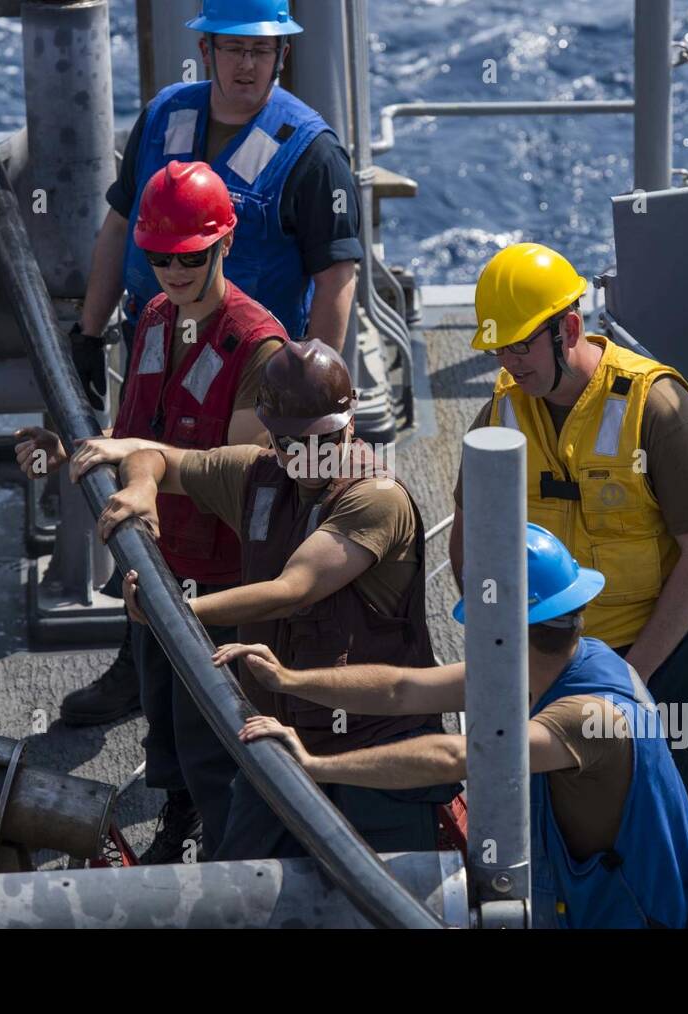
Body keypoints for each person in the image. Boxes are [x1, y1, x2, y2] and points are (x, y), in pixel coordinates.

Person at [60, 0, 363, 730]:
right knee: (144, 498)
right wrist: (88, 327)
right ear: (206, 47)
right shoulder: (166, 115)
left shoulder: (311, 153)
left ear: (282, 54)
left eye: (264, 50)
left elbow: (335, 280)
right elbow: (120, 221)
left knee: (233, 520)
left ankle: (235, 684)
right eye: (233, 49)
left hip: (249, 372)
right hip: (156, 351)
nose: (249, 64)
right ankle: (140, 662)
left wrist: (314, 401)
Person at [227, 524, 688, 929]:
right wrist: (289, 681)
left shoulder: (591, 717)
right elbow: (405, 689)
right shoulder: (567, 661)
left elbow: (458, 755)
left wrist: (314, 766)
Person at [15, 160, 284, 863]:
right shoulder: (156, 321)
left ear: (223, 243)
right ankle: (181, 818)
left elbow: (238, 474)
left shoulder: (258, 347)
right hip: (156, 564)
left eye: (189, 256)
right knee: (164, 715)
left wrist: (144, 473)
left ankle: (233, 863)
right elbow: (132, 424)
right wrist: (66, 447)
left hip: (223, 581)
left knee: (217, 729)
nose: (171, 270)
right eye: (158, 256)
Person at [100, 340, 458, 859]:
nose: (311, 455)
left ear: (350, 424)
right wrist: (140, 490)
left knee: (392, 896)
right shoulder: (254, 475)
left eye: (325, 439)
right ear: (271, 434)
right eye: (293, 443)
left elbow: (292, 591)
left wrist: (170, 612)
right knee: (239, 895)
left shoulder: (375, 499)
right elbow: (150, 457)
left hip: (378, 751)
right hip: (278, 742)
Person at [447, 243, 688, 854]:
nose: (507, 361)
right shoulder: (500, 409)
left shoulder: (658, 409)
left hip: (655, 654)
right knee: (565, 830)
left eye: (520, 344)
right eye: (498, 347)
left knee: (667, 827)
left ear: (568, 329)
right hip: (552, 660)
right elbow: (469, 538)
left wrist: (634, 676)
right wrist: (509, 649)